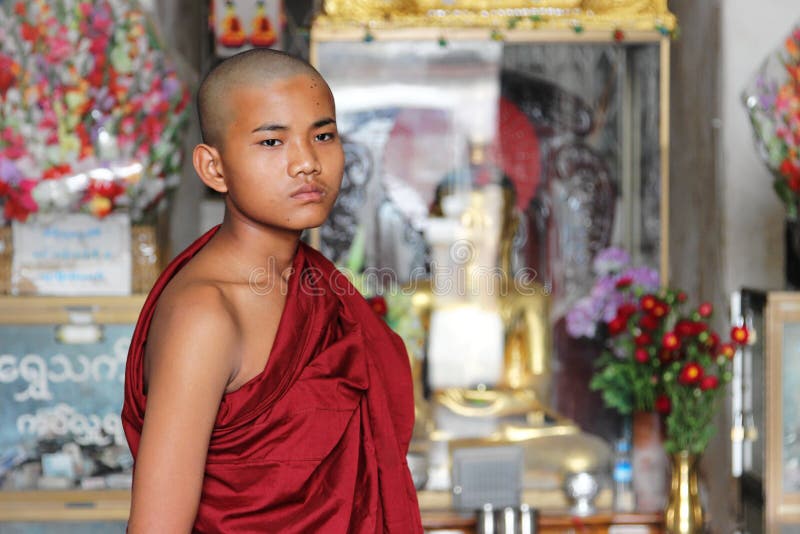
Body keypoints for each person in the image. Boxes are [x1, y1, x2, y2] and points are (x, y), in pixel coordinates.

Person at [122, 48, 423, 533]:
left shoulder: (318, 286)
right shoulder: (206, 313)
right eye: (271, 142)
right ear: (213, 168)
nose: (306, 163)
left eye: (323, 135)